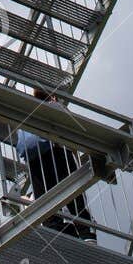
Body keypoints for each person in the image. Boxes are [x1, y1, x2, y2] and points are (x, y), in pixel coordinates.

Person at [15, 88, 95, 243]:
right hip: (56, 152)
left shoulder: (27, 113)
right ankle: (86, 233)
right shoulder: (54, 106)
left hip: (34, 159)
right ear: (52, 96)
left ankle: (55, 228)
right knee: (73, 192)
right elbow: (73, 128)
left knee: (44, 199)